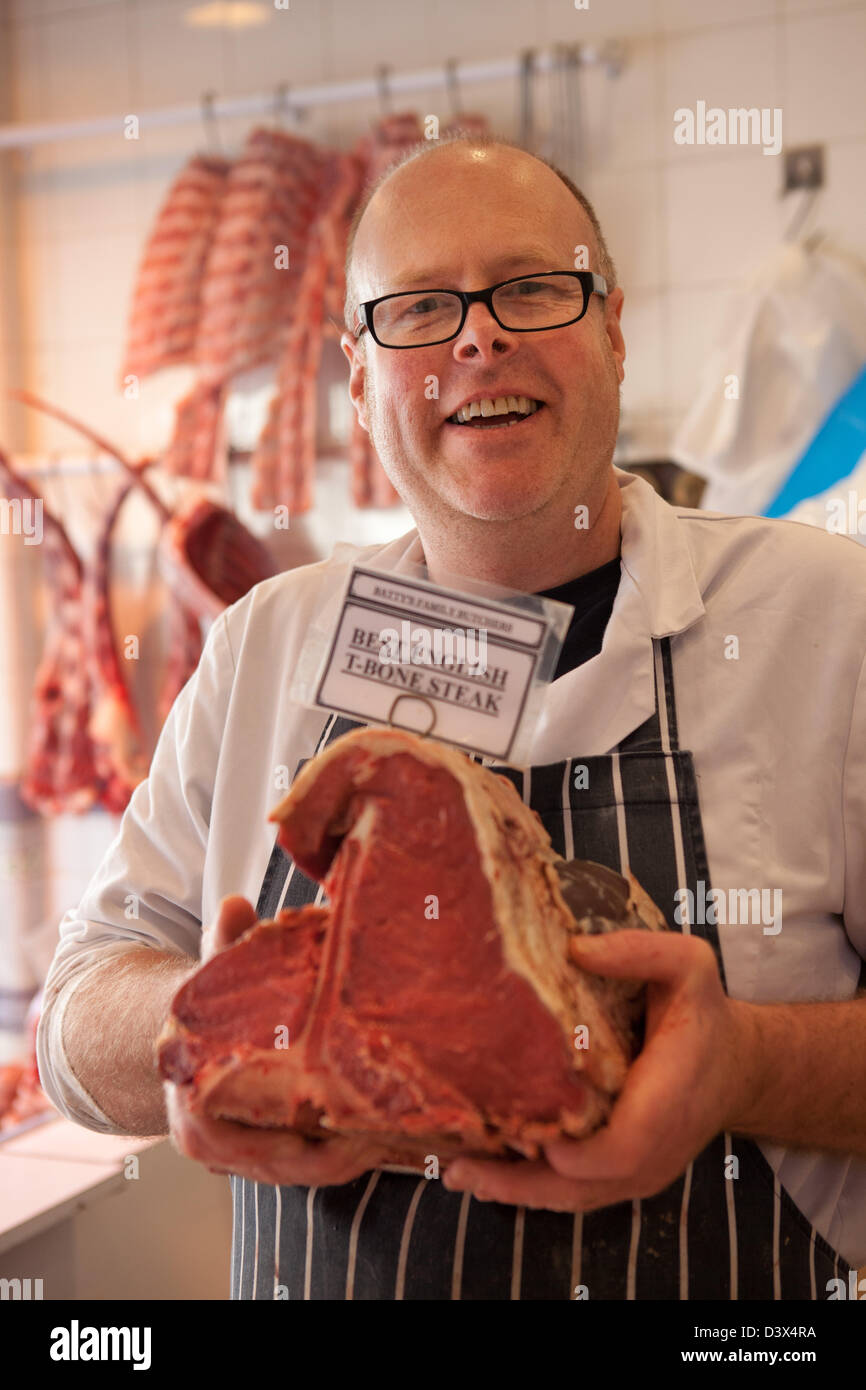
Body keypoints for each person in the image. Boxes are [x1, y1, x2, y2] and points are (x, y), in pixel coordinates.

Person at [38, 136, 866, 1301]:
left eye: (531, 287)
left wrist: (747, 1066)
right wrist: (218, 1027)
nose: (479, 336)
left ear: (613, 329)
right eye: (420, 307)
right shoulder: (265, 646)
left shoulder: (827, 619)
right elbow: (70, 1022)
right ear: (361, 371)